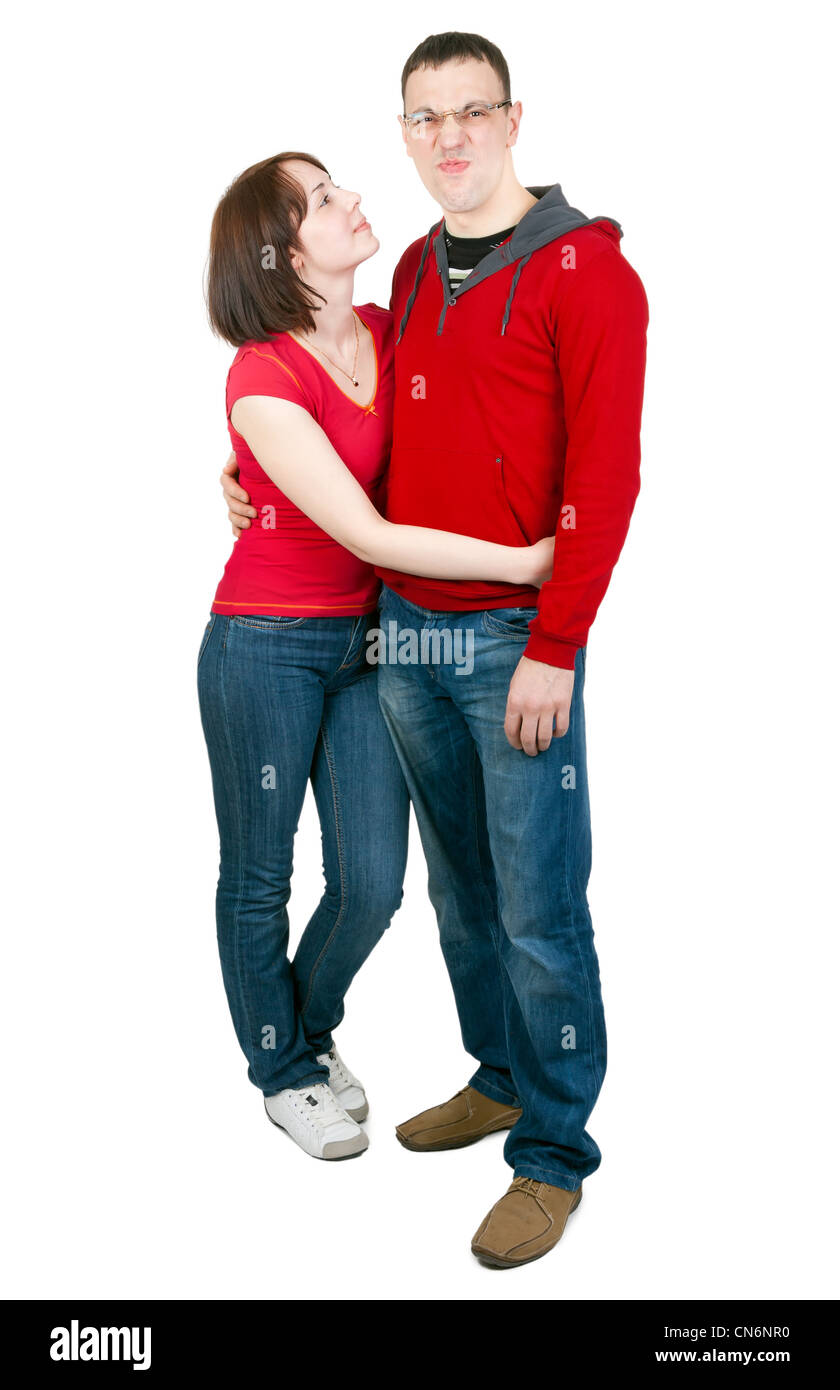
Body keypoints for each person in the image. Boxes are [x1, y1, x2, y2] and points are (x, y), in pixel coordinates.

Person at [222, 31, 648, 1264]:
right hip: (399, 639)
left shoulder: (586, 274)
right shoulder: (409, 270)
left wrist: (557, 640)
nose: (450, 137)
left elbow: (605, 480)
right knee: (463, 898)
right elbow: (352, 428)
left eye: (472, 111)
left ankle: (554, 1155)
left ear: (515, 119)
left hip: (519, 642)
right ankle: (502, 1075)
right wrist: (243, 470)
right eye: (424, 119)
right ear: (406, 137)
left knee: (538, 910)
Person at [199, 149, 556, 1164]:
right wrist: (526, 562)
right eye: (322, 198)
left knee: (372, 882)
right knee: (260, 875)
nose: (353, 198)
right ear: (280, 252)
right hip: (262, 646)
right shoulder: (258, 374)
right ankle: (283, 1072)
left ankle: (301, 1033)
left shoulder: (392, 333)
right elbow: (368, 531)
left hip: (368, 644)